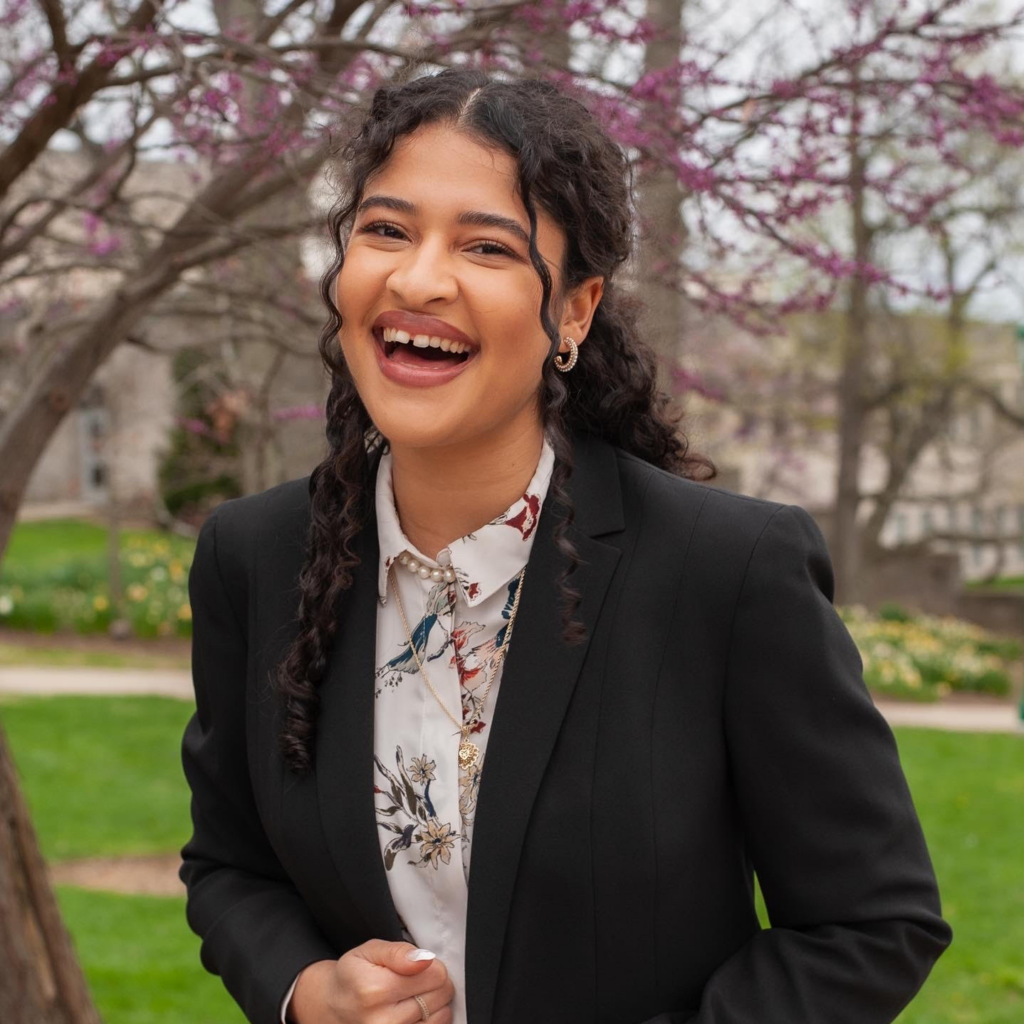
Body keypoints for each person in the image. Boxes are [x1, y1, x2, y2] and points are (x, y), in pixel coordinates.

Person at [179, 68, 952, 1024]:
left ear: (574, 311)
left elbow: (872, 925)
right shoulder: (253, 557)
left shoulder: (729, 571)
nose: (419, 277)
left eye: (487, 247)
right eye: (385, 230)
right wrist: (307, 990)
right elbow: (227, 866)